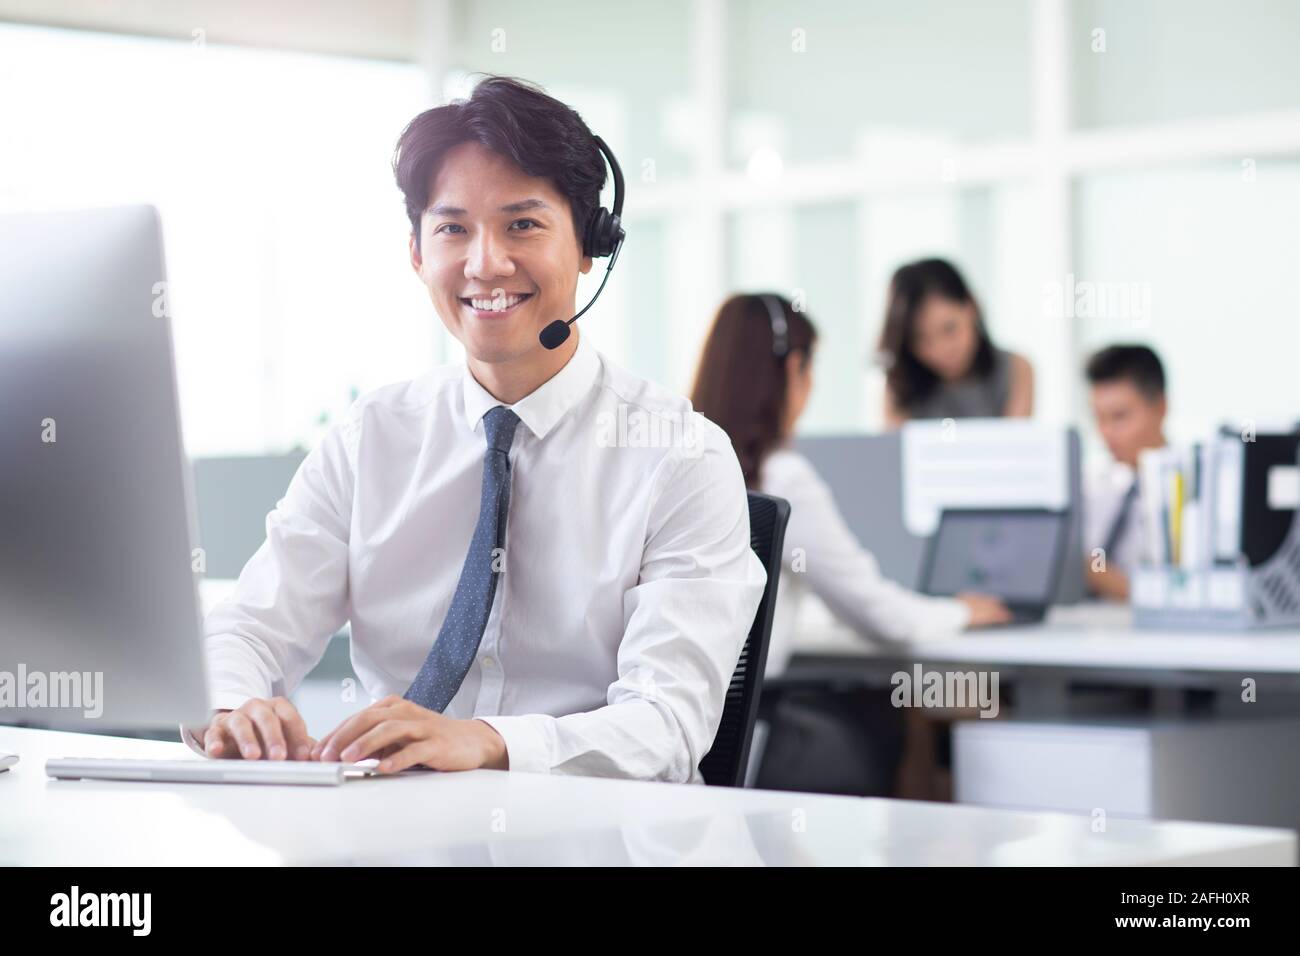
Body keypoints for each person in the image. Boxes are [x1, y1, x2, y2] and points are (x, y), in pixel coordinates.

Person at [187, 76, 766, 782]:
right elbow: (245, 626)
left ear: (588, 245)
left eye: (522, 224)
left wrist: (492, 742)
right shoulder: (371, 440)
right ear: (416, 252)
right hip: (396, 833)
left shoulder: (681, 456)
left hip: (603, 841)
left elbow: (668, 722)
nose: (485, 263)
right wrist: (233, 706)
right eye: (453, 228)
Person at [690, 293, 1010, 795]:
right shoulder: (783, 477)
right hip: (744, 740)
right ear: (794, 370)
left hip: (686, 739)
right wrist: (963, 612)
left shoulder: (685, 464)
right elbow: (876, 611)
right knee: (915, 712)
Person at [878, 257, 1033, 426]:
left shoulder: (1016, 368)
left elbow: (1013, 446)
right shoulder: (898, 385)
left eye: (949, 328)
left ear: (972, 307)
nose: (940, 349)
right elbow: (894, 449)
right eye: (920, 338)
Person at [1083, 344, 1169, 602]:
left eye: (1119, 417)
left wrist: (1102, 578)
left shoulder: (1193, 489)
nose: (1105, 433)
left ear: (1161, 408)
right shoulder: (1091, 487)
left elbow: (1183, 594)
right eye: (1098, 418)